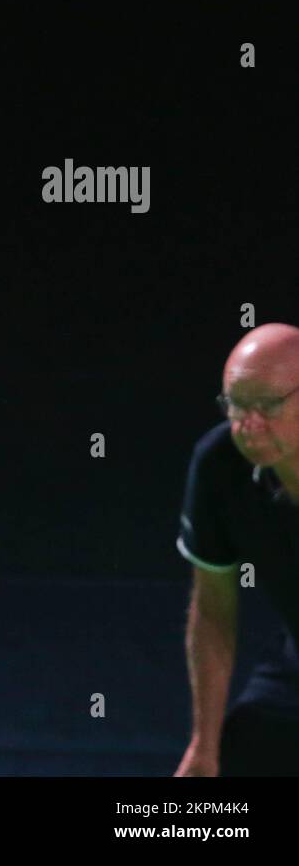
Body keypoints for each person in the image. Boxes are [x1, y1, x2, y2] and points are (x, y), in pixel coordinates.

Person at [174, 322, 299, 776]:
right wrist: (204, 747)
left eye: (267, 405)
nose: (249, 424)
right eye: (237, 405)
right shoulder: (218, 464)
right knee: (236, 755)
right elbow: (213, 608)